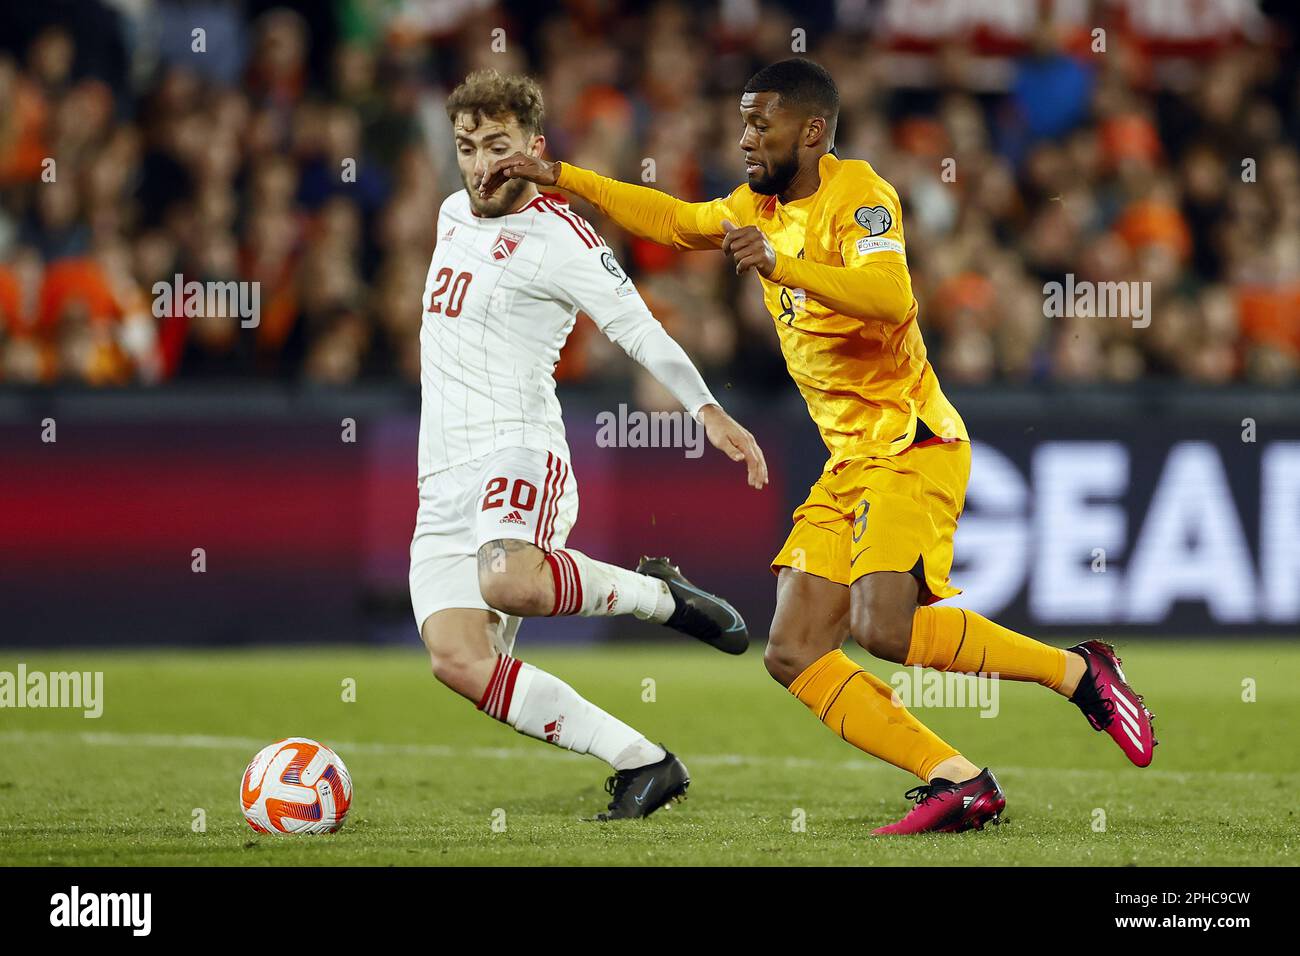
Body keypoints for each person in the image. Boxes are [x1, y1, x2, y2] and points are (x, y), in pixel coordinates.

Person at [480, 58, 1156, 834]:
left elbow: (892, 297)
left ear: (810, 131)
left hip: (910, 440)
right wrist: (559, 175)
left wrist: (784, 264)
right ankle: (959, 780)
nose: (744, 139)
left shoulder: (859, 195)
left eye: (759, 124)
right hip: (851, 462)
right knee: (794, 649)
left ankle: (1077, 674)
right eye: (742, 123)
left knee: (883, 628)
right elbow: (672, 219)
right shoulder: (753, 204)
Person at [411, 70, 768, 821]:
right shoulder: (449, 214)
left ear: (535, 148)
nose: (481, 166)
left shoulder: (562, 235)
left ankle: (658, 598)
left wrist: (706, 409)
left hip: (520, 446)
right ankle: (645, 763)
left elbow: (637, 326)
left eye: (498, 146)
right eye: (468, 148)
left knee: (508, 580)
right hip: (439, 473)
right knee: (459, 661)